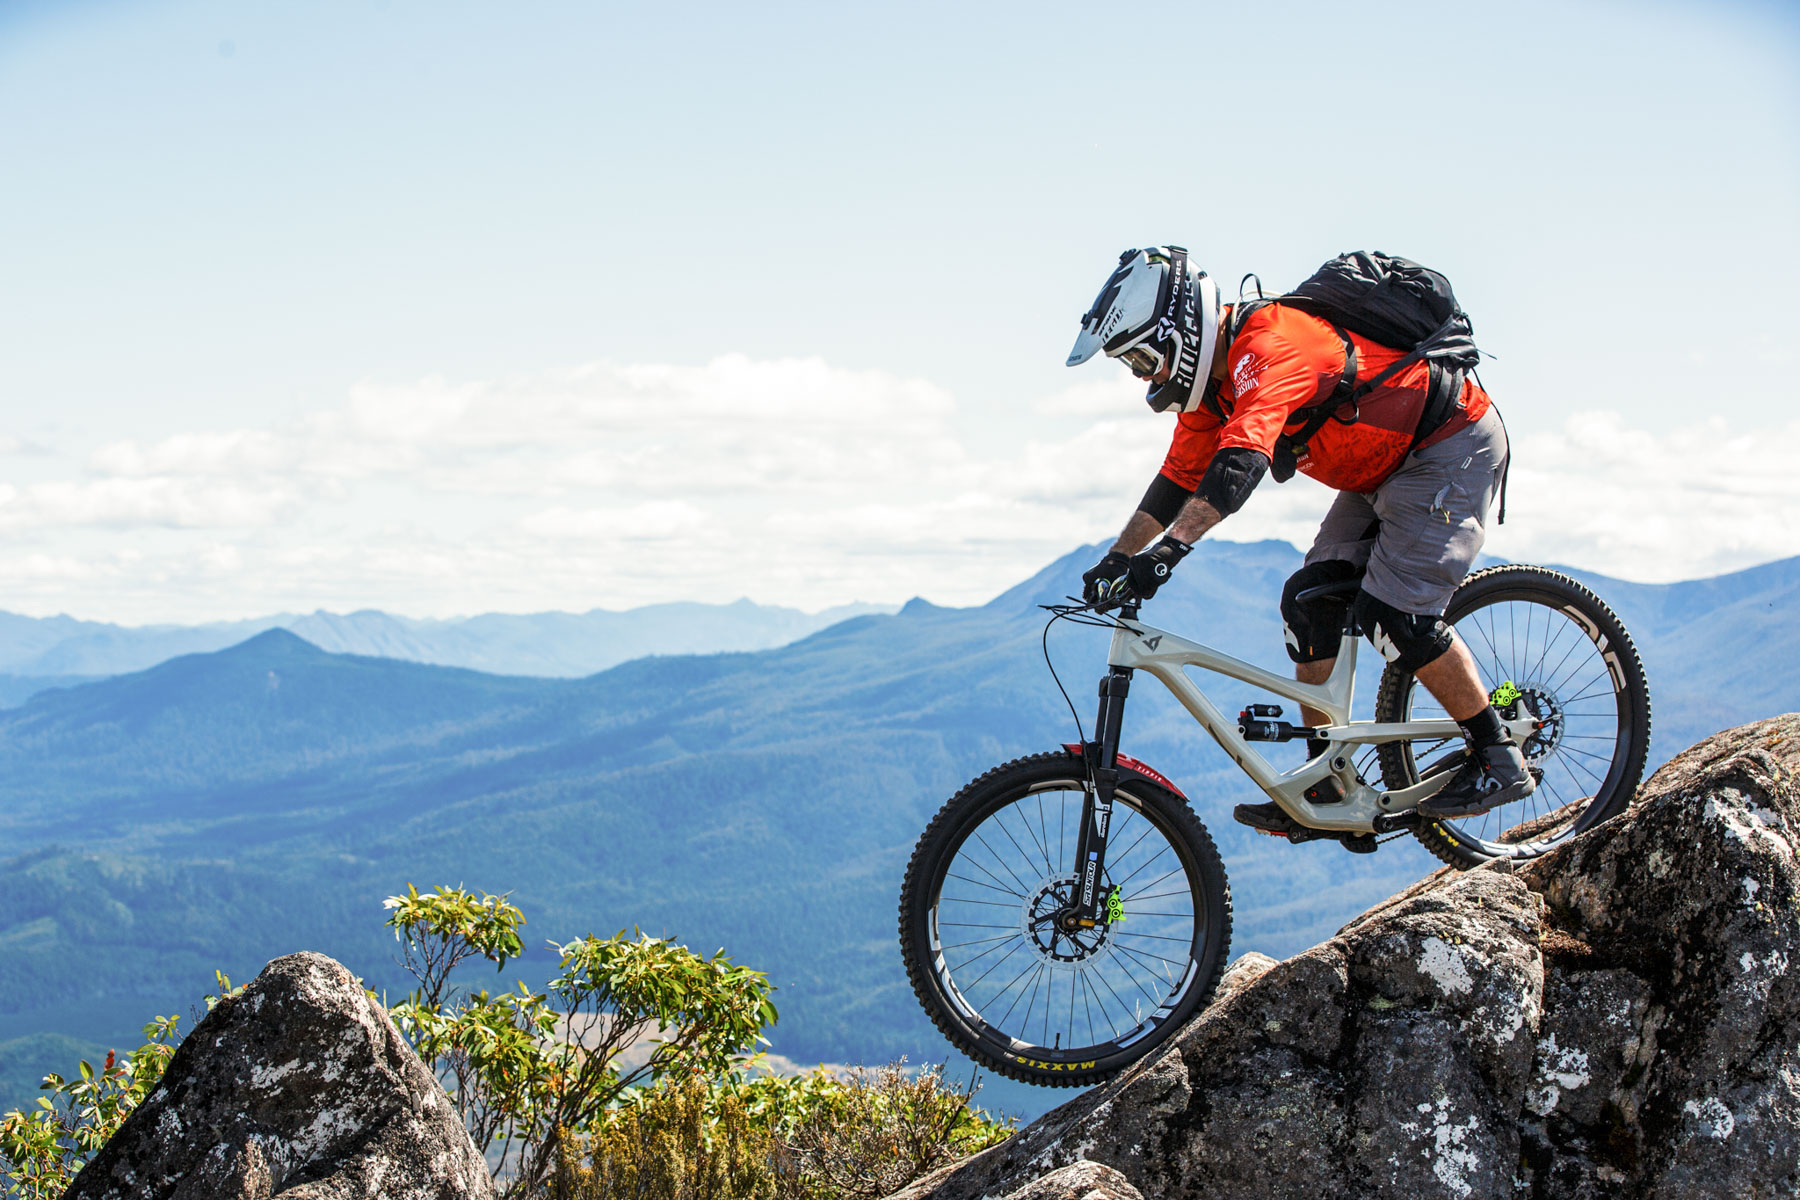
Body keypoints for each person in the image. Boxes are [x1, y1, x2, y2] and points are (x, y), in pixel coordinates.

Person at [1065, 245, 1532, 827]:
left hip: (1446, 444)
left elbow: (1239, 466)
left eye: (1142, 360)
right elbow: (1176, 482)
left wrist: (1166, 555)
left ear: (1178, 332)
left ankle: (1496, 754)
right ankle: (1326, 784)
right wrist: (1117, 559)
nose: (1145, 377)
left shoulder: (1270, 343)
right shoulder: (1214, 387)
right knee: (1310, 603)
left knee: (1397, 616)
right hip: (1380, 466)